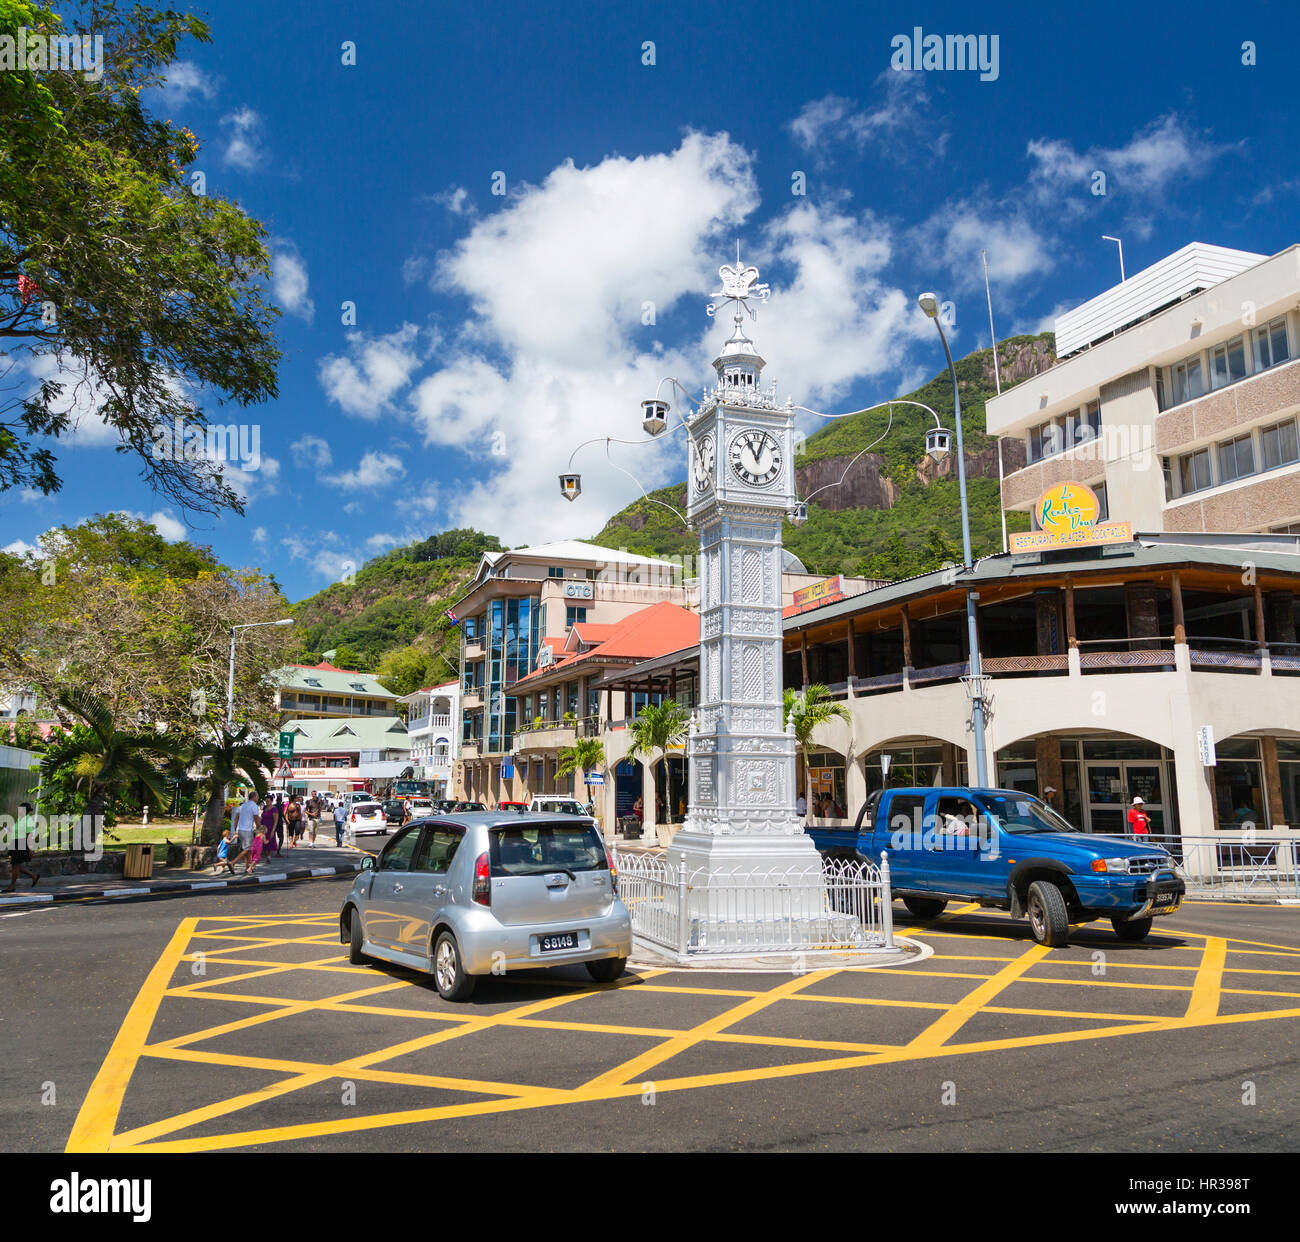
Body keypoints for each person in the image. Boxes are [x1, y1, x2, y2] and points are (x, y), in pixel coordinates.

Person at [5, 801, 40, 891]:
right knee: (15, 864)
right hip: (16, 842)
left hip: (22, 843)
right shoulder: (20, 819)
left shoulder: (28, 820)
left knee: (15, 864)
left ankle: (12, 886)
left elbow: (29, 835)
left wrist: (31, 849)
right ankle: (33, 876)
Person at [231, 792, 260, 872]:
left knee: (246, 849)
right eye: (257, 797)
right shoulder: (254, 806)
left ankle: (247, 866)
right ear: (254, 797)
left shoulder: (243, 805)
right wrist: (260, 829)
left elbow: (236, 818)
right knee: (248, 849)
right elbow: (256, 819)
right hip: (247, 830)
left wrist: (235, 829)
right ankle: (233, 862)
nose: (257, 798)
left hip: (240, 830)